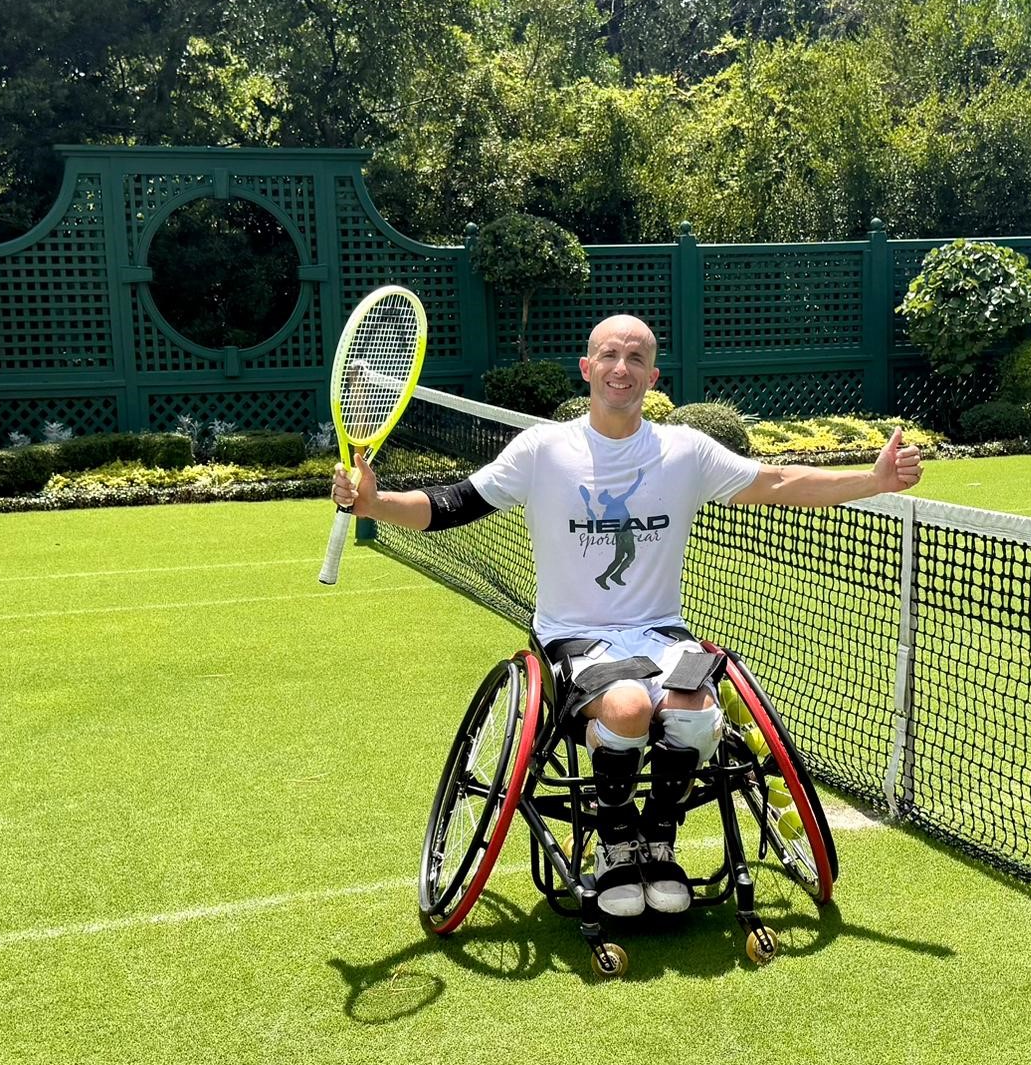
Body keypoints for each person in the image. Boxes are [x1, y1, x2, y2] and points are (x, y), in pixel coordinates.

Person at [332, 315, 922, 917]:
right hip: (573, 636)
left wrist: (873, 480)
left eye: (635, 358)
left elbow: (777, 481)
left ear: (653, 376)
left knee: (696, 709)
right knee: (629, 707)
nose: (622, 368)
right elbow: (451, 504)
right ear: (587, 369)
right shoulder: (542, 450)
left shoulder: (684, 450)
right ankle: (615, 845)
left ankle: (658, 843)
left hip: (662, 632)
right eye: (609, 356)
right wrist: (375, 502)